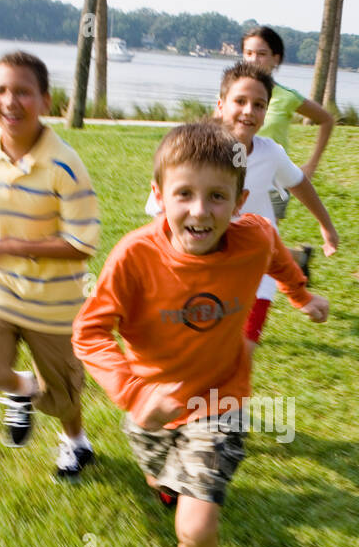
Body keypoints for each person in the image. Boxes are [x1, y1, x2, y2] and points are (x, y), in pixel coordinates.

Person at [74, 121, 331, 547]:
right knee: (156, 470)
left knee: (196, 524)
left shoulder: (254, 236)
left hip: (220, 400)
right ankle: (168, 482)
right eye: (184, 194)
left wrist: (301, 296)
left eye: (217, 196)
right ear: (159, 195)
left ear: (239, 201)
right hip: (149, 407)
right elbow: (89, 332)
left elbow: (278, 256)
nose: (200, 210)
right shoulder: (134, 256)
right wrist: (133, 392)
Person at [0, 51, 101, 480]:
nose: (10, 101)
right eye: (0, 90)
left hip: (53, 297)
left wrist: (13, 244)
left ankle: (76, 443)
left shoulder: (65, 165)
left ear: (45, 101)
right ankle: (22, 390)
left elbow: (81, 244)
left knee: (65, 392)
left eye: (22, 92)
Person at [145, 62, 339, 353]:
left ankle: (232, 398)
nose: (249, 111)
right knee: (196, 349)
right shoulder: (191, 153)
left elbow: (299, 183)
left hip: (256, 266)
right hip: (202, 268)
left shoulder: (271, 153)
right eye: (240, 101)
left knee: (242, 352)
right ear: (221, 105)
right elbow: (162, 212)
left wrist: (327, 226)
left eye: (259, 105)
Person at [242, 26, 335, 183]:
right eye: (249, 53)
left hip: (274, 186)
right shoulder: (230, 94)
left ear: (275, 59)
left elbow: (327, 120)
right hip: (235, 181)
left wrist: (311, 165)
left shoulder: (287, 97)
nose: (253, 59)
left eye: (262, 54)